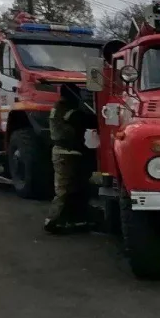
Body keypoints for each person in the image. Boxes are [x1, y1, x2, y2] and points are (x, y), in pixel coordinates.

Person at [44, 83, 97, 234]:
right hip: (67, 152)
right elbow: (89, 121)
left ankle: (70, 220)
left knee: (72, 188)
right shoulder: (68, 111)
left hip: (64, 151)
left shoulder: (59, 108)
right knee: (65, 189)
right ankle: (52, 220)